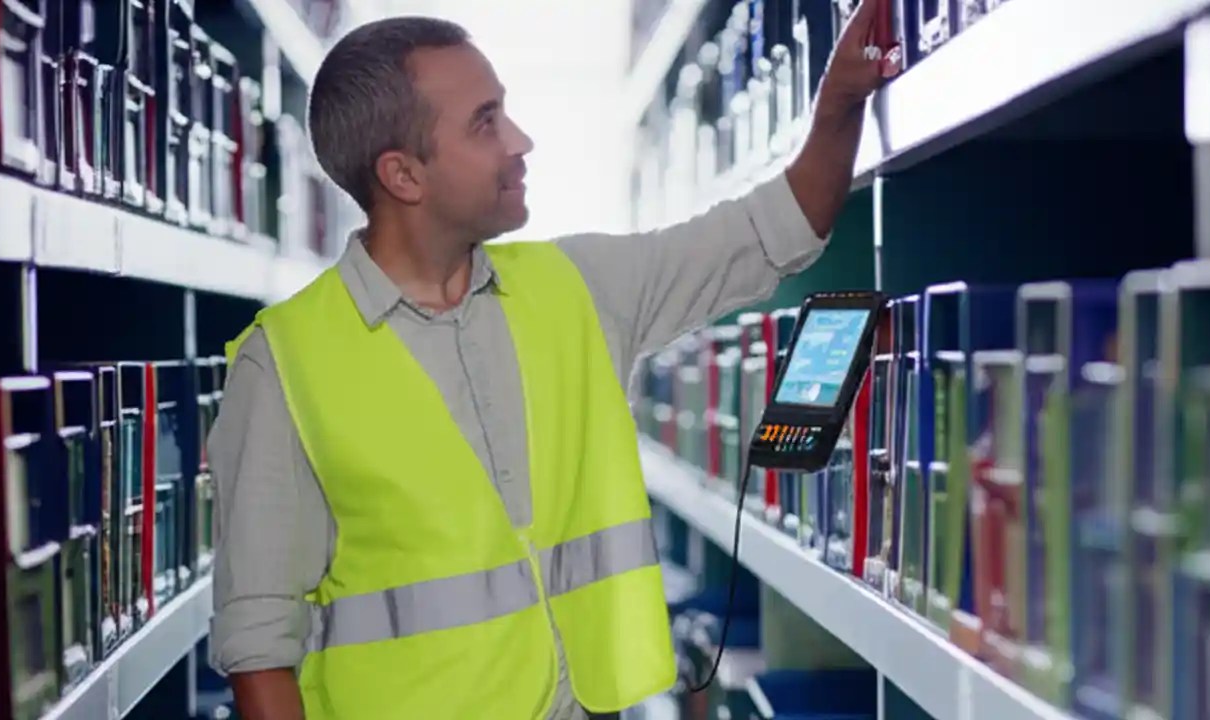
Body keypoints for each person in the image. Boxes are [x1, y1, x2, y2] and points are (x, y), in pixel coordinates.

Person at [207, 0, 899, 717]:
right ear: (403, 175)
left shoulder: (576, 287)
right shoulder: (283, 364)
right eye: (485, 122)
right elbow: (259, 649)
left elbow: (773, 231)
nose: (521, 140)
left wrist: (840, 104)